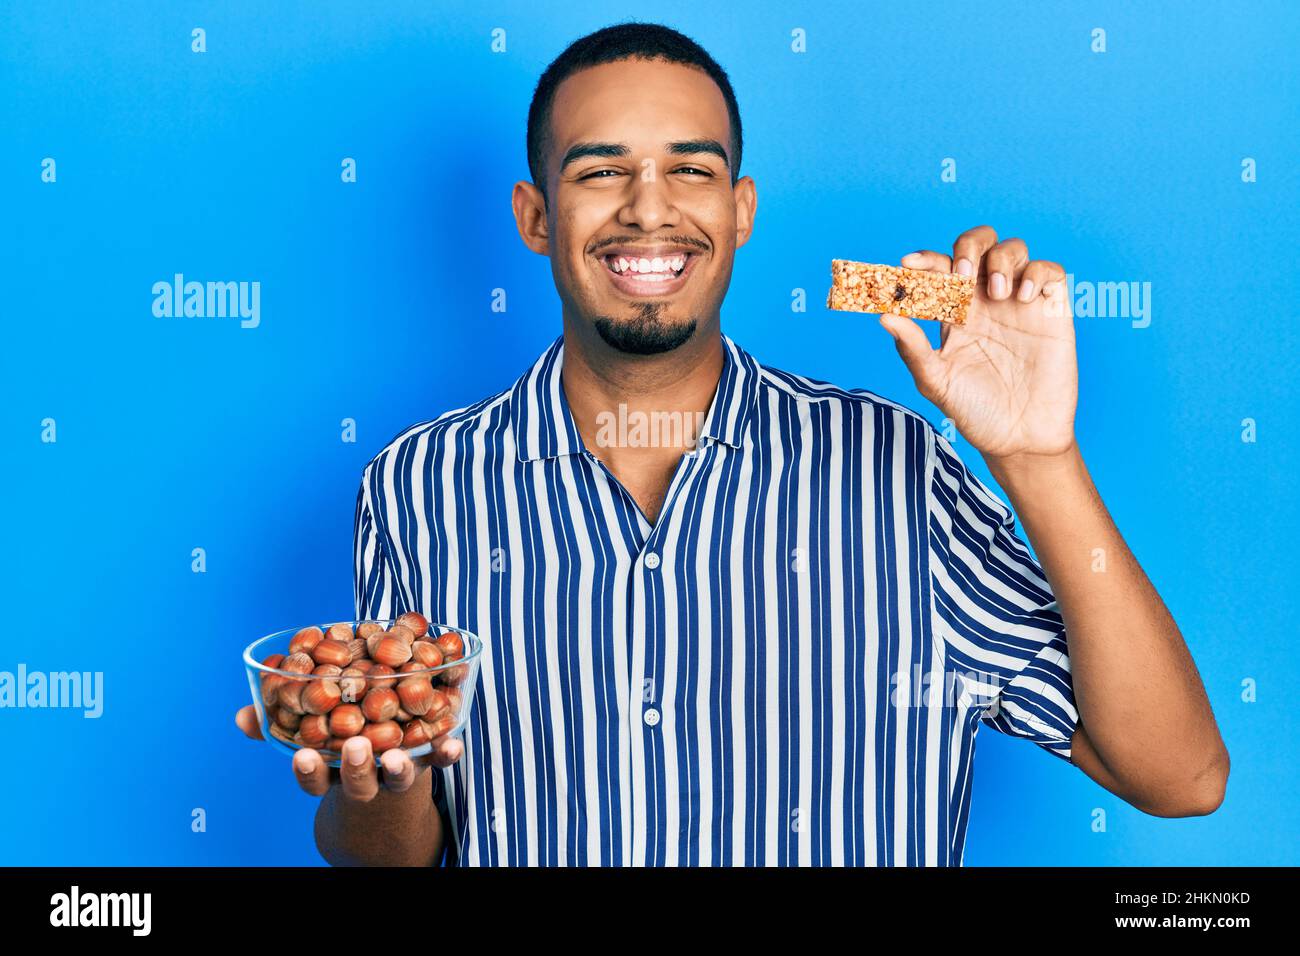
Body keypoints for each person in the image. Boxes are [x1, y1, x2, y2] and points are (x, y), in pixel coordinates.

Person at [236, 21, 1228, 866]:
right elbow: (393, 846)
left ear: (739, 210)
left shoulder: (900, 472)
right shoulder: (420, 484)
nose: (650, 207)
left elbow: (1179, 775)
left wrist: (1035, 456)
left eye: (690, 170)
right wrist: (376, 775)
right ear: (535, 217)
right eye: (601, 171)